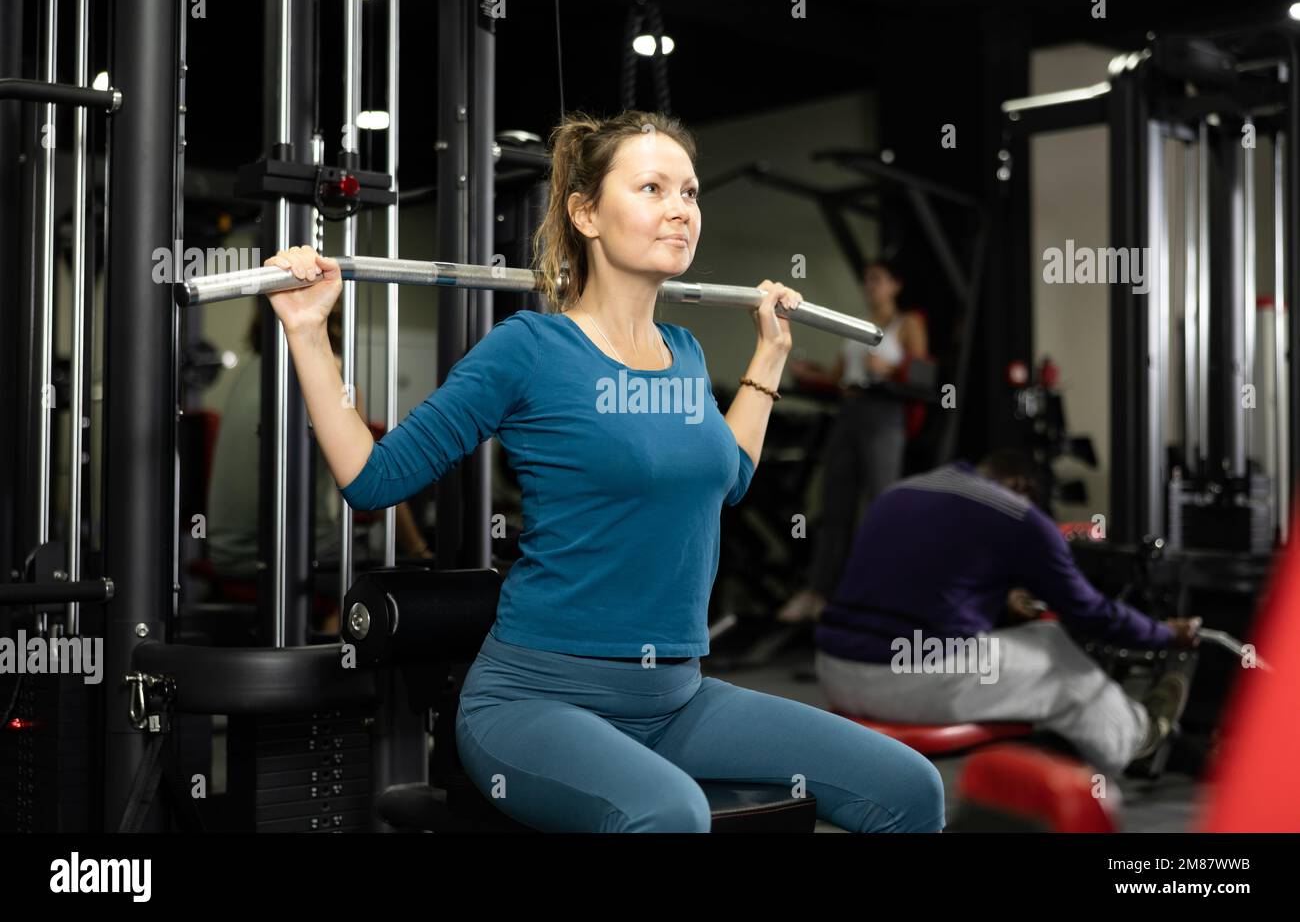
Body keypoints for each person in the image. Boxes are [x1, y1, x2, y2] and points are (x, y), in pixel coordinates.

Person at [263, 110, 945, 832]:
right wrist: (308, 332)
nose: (679, 208)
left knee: (910, 787)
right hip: (534, 702)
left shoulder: (682, 351)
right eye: (652, 188)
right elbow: (372, 478)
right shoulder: (529, 349)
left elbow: (730, 478)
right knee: (669, 815)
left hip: (677, 701)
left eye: (688, 191)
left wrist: (770, 354)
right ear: (585, 212)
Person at [812, 449, 1202, 776]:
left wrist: (998, 607)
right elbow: (1090, 614)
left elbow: (912, 586)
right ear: (1022, 487)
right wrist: (1165, 634)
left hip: (833, 670)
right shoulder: (1020, 517)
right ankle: (1138, 737)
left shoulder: (900, 491)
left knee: (1032, 643)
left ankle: (1076, 733)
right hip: (905, 680)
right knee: (1055, 654)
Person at [206, 304, 432, 634]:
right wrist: (421, 553)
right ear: (335, 320)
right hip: (278, 557)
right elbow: (376, 479)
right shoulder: (330, 377)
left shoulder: (251, 371)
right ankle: (335, 664)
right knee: (383, 575)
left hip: (225, 555)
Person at [780, 259, 928, 624]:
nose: (870, 286)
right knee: (835, 507)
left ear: (895, 284)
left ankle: (884, 596)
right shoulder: (856, 328)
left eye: (877, 279)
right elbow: (837, 377)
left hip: (884, 415)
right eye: (866, 279)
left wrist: (893, 370)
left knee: (881, 507)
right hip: (849, 414)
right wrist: (808, 372)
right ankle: (819, 592)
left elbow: (923, 375)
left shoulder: (907, 324)